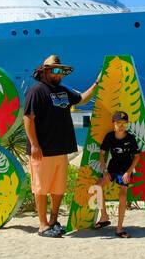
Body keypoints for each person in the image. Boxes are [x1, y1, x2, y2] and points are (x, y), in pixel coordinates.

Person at [23, 54, 97, 237]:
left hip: (60, 148)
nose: (59, 74)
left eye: (62, 71)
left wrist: (97, 83)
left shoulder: (63, 91)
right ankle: (42, 225)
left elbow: (81, 99)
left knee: (58, 188)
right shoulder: (36, 91)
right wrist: (34, 145)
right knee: (40, 188)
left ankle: (53, 221)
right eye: (56, 70)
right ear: (45, 71)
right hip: (43, 150)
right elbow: (28, 118)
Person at [94, 110, 138, 238]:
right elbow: (102, 154)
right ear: (113, 123)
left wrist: (128, 172)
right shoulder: (109, 137)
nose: (121, 125)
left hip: (125, 171)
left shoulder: (130, 138)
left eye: (124, 123)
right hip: (112, 169)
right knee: (97, 186)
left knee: (122, 196)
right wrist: (105, 170)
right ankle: (104, 216)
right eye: (118, 122)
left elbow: (136, 157)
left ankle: (119, 228)